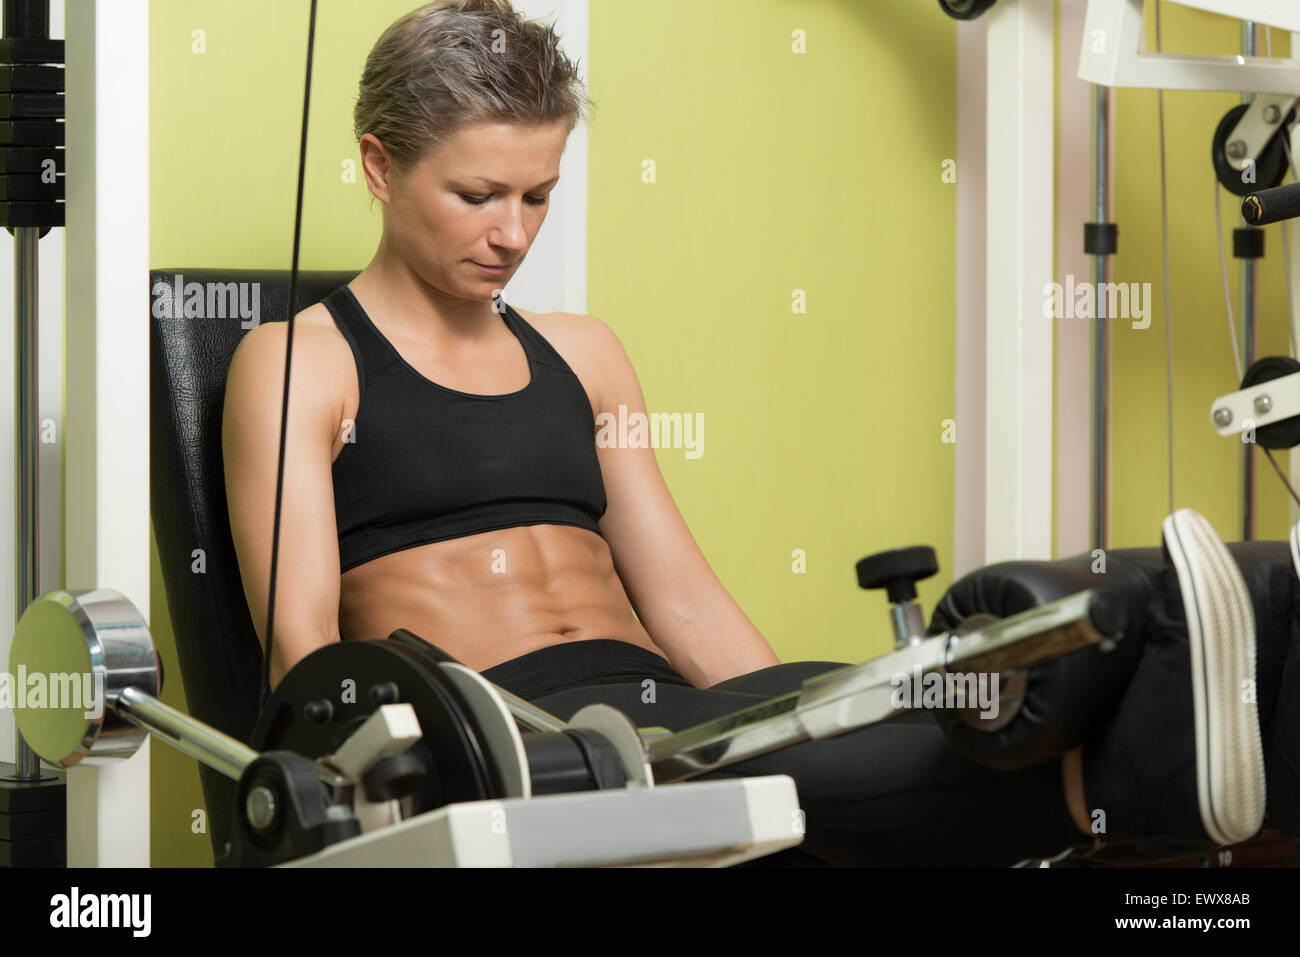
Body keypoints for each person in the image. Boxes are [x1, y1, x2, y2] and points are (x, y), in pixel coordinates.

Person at [220, 0, 1297, 865]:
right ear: (376, 166)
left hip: (675, 708)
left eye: (539, 196)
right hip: (533, 745)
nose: (513, 233)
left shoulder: (582, 351)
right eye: (478, 194)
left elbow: (678, 591)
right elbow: (309, 654)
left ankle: (1210, 649)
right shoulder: (300, 363)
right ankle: (1161, 771)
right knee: (812, 771)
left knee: (955, 701)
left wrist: (810, 712)